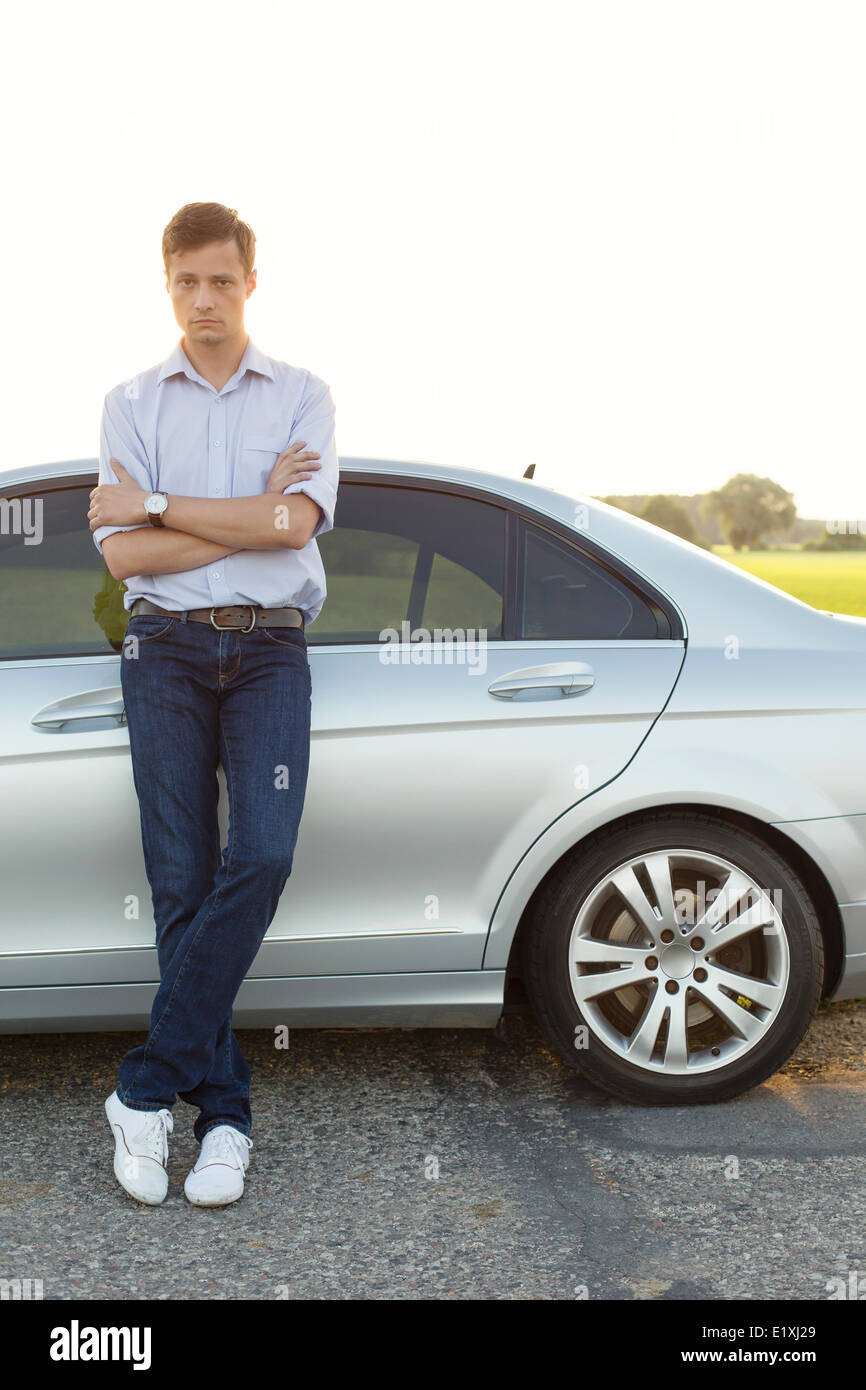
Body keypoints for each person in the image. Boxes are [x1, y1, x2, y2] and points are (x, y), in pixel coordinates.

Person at [88, 201, 338, 1207]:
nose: (204, 299)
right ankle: (222, 1120)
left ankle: (144, 1089)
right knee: (181, 881)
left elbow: (300, 523)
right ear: (167, 284)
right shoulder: (131, 402)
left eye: (221, 281)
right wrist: (252, 521)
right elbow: (123, 555)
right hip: (165, 653)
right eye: (186, 281)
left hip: (271, 651)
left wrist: (157, 504)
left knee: (265, 852)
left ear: (249, 283)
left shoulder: (302, 395)